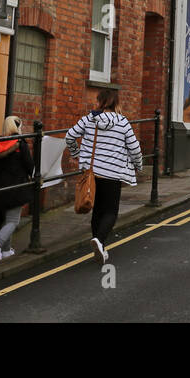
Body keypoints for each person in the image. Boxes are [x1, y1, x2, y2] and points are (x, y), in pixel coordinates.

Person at [66, 89, 143, 265]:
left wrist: (77, 154)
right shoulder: (123, 122)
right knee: (111, 211)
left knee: (98, 210)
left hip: (92, 173)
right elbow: (134, 148)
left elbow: (70, 136)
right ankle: (99, 241)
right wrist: (138, 165)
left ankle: (98, 243)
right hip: (112, 174)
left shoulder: (88, 119)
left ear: (100, 101)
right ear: (116, 103)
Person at [0, 115, 35, 260]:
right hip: (16, 188)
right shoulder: (20, 143)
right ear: (17, 127)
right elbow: (29, 165)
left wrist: (0, 176)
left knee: (5, 220)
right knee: (13, 221)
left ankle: (6, 251)